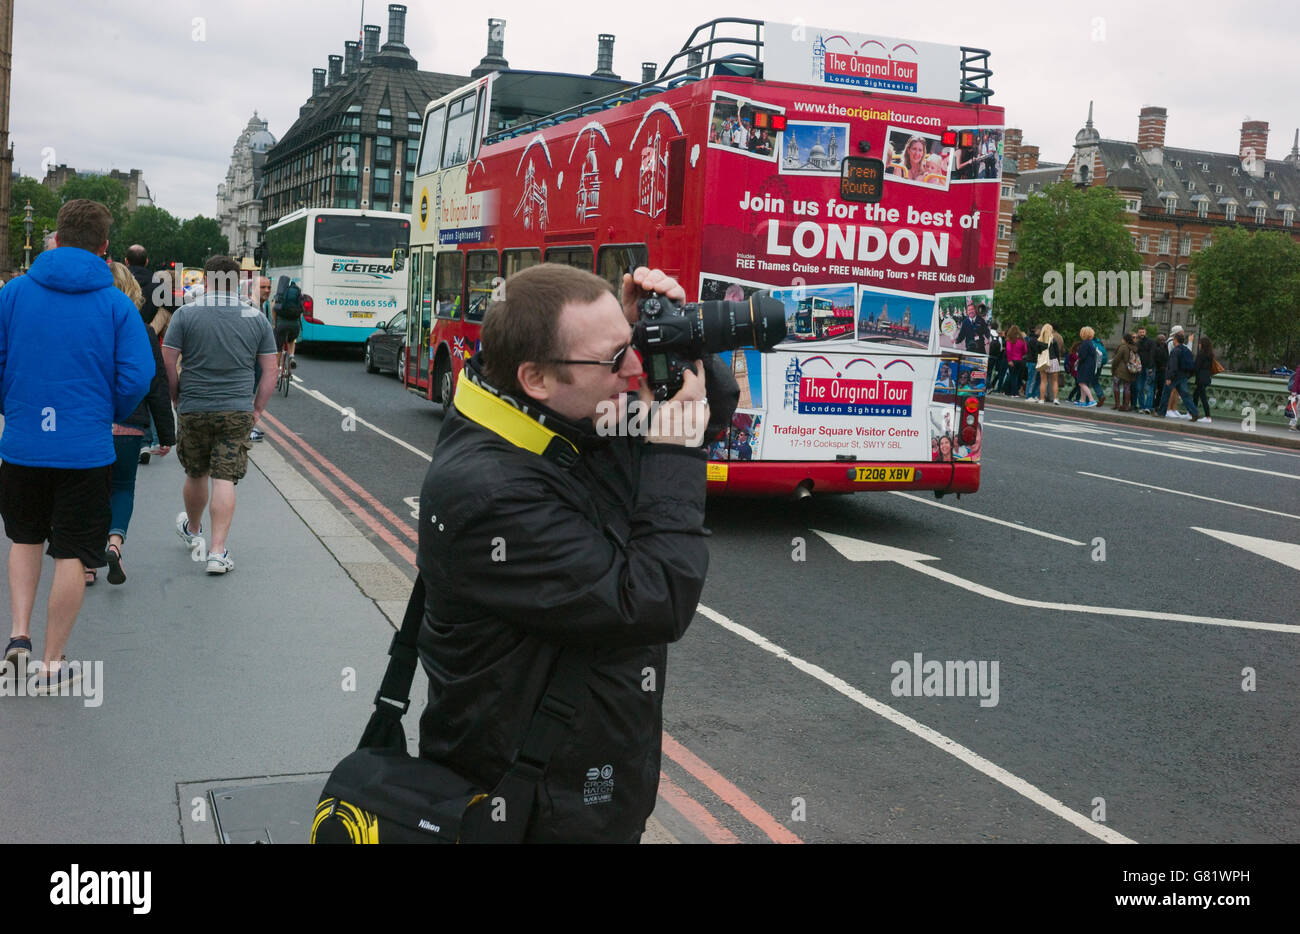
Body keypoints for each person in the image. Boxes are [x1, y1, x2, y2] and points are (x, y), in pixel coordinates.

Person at [414, 263, 739, 843]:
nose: (635, 369)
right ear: (536, 377)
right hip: (531, 807)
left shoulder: (547, 416)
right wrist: (676, 450)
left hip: (582, 786)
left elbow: (713, 409)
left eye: (633, 347)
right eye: (615, 359)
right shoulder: (491, 492)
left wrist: (667, 333)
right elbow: (653, 599)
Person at [0, 200, 153, 691]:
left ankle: (18, 637)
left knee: (24, 538)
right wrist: (101, 412)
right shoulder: (115, 305)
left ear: (57, 238)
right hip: (85, 449)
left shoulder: (15, 293)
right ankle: (51, 663)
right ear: (105, 248)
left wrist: (15, 408)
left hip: (23, 443)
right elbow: (137, 376)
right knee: (71, 552)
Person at [162, 255, 277, 575]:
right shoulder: (255, 317)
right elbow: (270, 370)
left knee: (195, 472)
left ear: (208, 280)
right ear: (236, 281)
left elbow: (168, 361)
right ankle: (217, 551)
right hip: (236, 408)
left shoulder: (185, 314)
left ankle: (195, 531)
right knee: (224, 478)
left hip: (194, 405)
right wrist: (256, 409)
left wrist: (175, 396)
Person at [95, 263, 176, 585]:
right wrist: (166, 434)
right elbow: (156, 384)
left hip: (92, 424)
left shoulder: (85, 325)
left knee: (88, 491)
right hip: (130, 427)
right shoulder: (142, 331)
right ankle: (115, 543)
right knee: (122, 488)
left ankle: (86, 565)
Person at [1155, 330, 1199, 421]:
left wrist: (1169, 377)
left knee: (1165, 394)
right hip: (1183, 376)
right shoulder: (1186, 350)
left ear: (1175, 340)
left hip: (1174, 376)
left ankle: (1161, 412)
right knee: (1185, 395)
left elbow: (1173, 365)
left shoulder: (1175, 351)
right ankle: (1194, 412)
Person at [250, 275, 273, 443]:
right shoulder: (250, 307)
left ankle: (248, 427)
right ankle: (247, 429)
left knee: (250, 393)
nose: (266, 290)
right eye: (262, 287)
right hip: (251, 359)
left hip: (258, 358)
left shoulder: (262, 306)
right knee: (247, 393)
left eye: (268, 287)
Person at [1192, 337, 1216, 423]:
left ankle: (1207, 416)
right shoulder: (1210, 354)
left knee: (1202, 398)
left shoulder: (1201, 354)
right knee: (1196, 395)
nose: (1198, 345)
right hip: (1206, 377)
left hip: (1200, 378)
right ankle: (1193, 413)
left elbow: (1196, 366)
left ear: (1202, 345)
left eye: (1199, 343)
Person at [1111, 333, 1137, 410]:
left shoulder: (1123, 347)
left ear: (1125, 340)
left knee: (1116, 385)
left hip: (1120, 370)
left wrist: (1113, 369)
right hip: (1130, 370)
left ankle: (1117, 404)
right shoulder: (1134, 348)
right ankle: (1126, 405)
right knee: (1127, 387)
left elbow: (1116, 359)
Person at [1074, 327, 1098, 406]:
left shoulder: (1085, 343)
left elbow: (1082, 356)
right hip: (1090, 366)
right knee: (1084, 383)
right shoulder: (1091, 343)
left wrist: (1077, 361)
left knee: (1081, 383)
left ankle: (1091, 399)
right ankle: (1083, 400)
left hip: (1085, 366)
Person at [1134, 326, 1156, 413]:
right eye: (1140, 332)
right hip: (1140, 368)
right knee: (1140, 388)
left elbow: (1153, 354)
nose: (1142, 334)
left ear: (1145, 332)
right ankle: (1142, 407)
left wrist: (1150, 367)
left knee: (1149, 388)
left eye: (1143, 332)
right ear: (1138, 333)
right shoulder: (1137, 343)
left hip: (1148, 367)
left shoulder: (1150, 342)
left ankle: (1148, 407)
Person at [1002, 325, 1026, 396]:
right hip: (1020, 360)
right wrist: (1020, 355)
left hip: (1012, 360)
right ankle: (1015, 392)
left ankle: (1013, 392)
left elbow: (1008, 350)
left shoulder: (1010, 339)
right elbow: (1025, 350)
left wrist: (1009, 360)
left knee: (1013, 377)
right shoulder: (1022, 340)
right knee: (1016, 376)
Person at [1152, 333, 1171, 415]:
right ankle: (1153, 405)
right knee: (1153, 389)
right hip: (1157, 370)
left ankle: (1157, 405)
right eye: (1161, 340)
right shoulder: (1155, 348)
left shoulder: (1165, 348)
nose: (1162, 341)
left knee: (1160, 390)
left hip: (1163, 371)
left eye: (1163, 340)